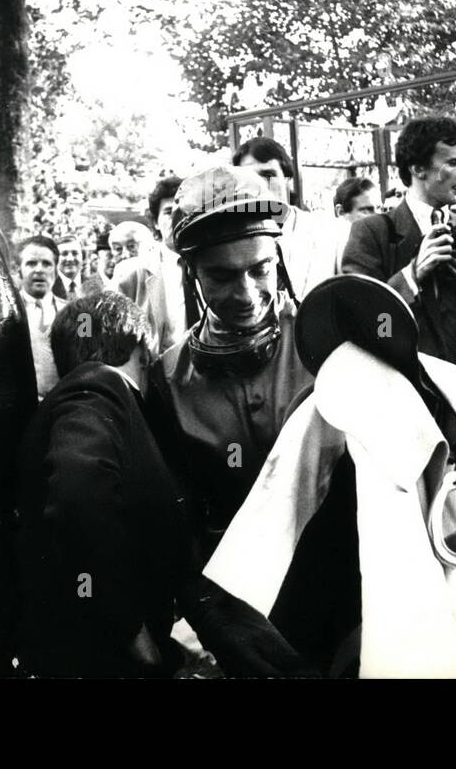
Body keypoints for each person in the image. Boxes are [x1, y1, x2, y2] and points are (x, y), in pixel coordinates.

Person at [144, 166, 317, 676]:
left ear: (279, 259)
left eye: (260, 269)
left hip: (345, 598)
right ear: (190, 273)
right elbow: (178, 524)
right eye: (221, 276)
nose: (245, 293)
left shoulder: (326, 343)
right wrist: (200, 616)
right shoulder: (166, 380)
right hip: (240, 619)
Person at [16, 292, 188, 677]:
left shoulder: (76, 396)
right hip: (101, 650)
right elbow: (78, 499)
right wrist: (130, 628)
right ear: (143, 350)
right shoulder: (95, 392)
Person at [341, 117, 456, 395]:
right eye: (453, 163)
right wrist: (410, 276)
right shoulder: (372, 234)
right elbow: (360, 323)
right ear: (417, 168)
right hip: (406, 395)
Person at [233, 137, 338, 297]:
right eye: (248, 178)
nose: (259, 184)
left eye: (268, 174)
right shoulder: (229, 243)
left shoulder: (330, 233)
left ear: (287, 179)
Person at [113, 177, 188, 354]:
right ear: (155, 222)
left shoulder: (213, 265)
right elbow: (108, 333)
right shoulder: (131, 273)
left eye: (185, 211)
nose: (178, 218)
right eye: (169, 212)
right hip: (153, 375)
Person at [15, 235, 66, 400]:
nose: (39, 269)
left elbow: (85, 356)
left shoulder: (78, 314)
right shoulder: (5, 313)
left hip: (62, 408)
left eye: (46, 263)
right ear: (19, 270)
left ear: (56, 271)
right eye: (31, 263)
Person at [52, 234, 101, 301]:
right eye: (64, 254)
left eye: (75, 253)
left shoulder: (95, 286)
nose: (70, 259)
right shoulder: (49, 287)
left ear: (82, 257)